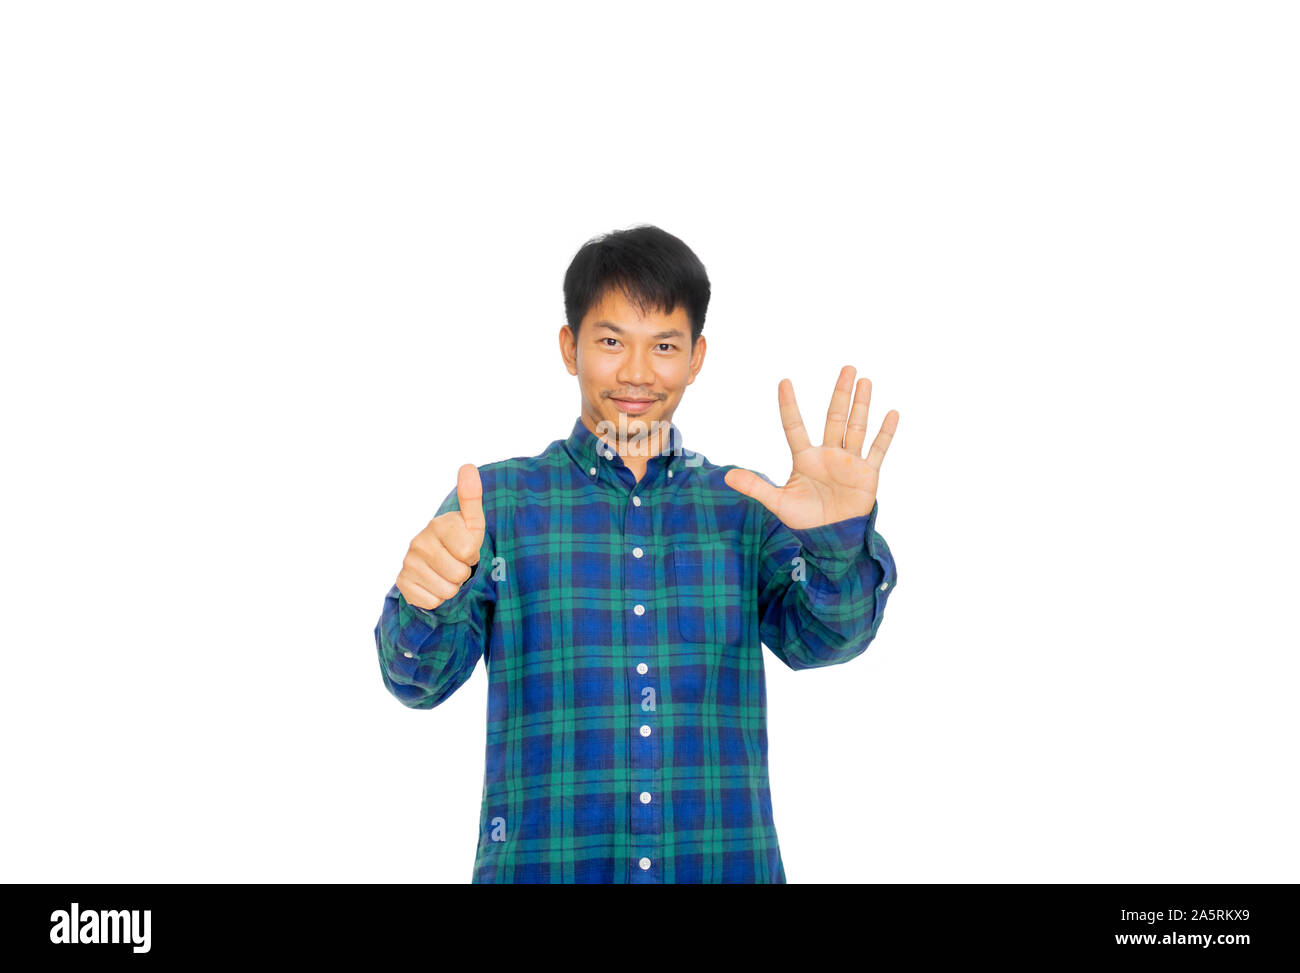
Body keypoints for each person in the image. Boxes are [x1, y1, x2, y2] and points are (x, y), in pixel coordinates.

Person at [373, 224, 899, 883]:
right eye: (612, 341)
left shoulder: (745, 506)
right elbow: (414, 681)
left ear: (697, 356)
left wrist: (836, 543)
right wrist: (423, 605)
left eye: (665, 345)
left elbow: (829, 640)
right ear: (570, 346)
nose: (637, 373)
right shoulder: (495, 504)